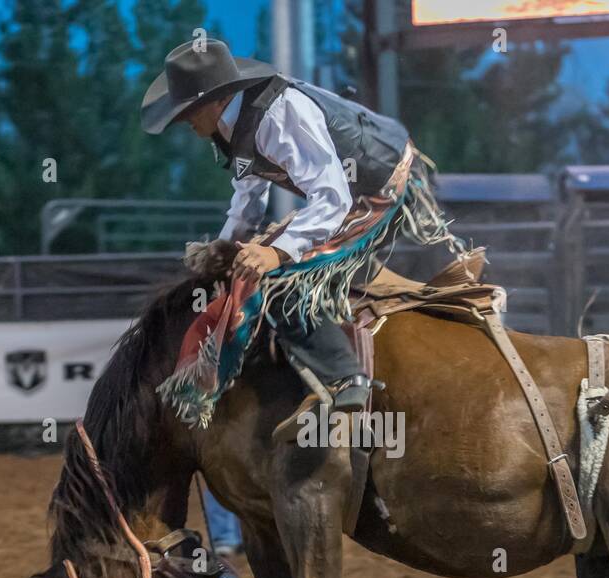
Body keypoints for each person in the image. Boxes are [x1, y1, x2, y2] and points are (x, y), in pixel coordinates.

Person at [140, 38, 461, 439]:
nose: (184, 122)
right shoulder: (237, 125)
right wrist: (224, 248)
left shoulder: (279, 115)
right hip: (350, 192)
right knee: (251, 267)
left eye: (185, 111)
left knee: (280, 283)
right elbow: (248, 198)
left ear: (213, 102)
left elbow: (331, 197)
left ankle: (346, 379)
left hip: (378, 190)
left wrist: (276, 253)